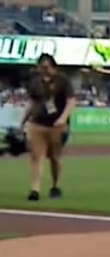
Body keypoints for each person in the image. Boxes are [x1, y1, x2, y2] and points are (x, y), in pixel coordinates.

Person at [22, 53, 75, 201]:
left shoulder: (62, 81)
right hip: (37, 122)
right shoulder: (35, 82)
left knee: (54, 158)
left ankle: (55, 185)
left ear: (53, 66)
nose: (44, 70)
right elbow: (32, 103)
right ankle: (35, 189)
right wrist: (23, 120)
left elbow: (71, 101)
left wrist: (63, 118)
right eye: (42, 67)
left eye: (46, 67)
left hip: (56, 125)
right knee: (36, 155)